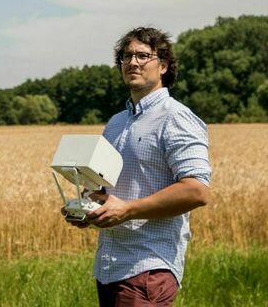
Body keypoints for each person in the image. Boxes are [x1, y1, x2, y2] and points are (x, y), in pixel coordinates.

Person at [66, 26, 212, 307]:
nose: (133, 62)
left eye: (144, 56)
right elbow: (106, 189)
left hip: (148, 268)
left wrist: (129, 210)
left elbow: (197, 191)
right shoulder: (116, 123)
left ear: (164, 66)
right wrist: (87, 209)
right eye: (126, 56)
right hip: (109, 268)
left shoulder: (176, 118)